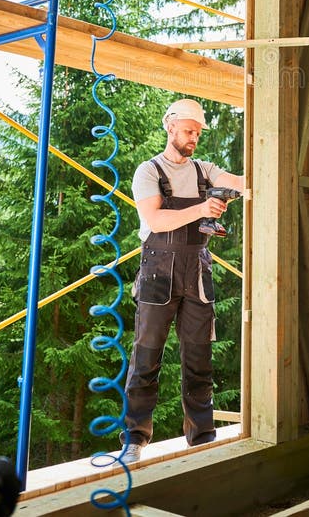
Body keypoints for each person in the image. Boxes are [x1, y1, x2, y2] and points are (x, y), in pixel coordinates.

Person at [121, 98, 243, 466]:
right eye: (189, 131)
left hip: (197, 270)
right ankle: (135, 438)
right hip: (158, 269)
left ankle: (202, 438)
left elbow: (238, 183)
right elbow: (155, 221)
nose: (194, 138)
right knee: (147, 356)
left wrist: (237, 187)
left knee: (198, 358)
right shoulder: (148, 171)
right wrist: (201, 210)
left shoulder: (204, 170)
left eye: (198, 133)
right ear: (170, 127)